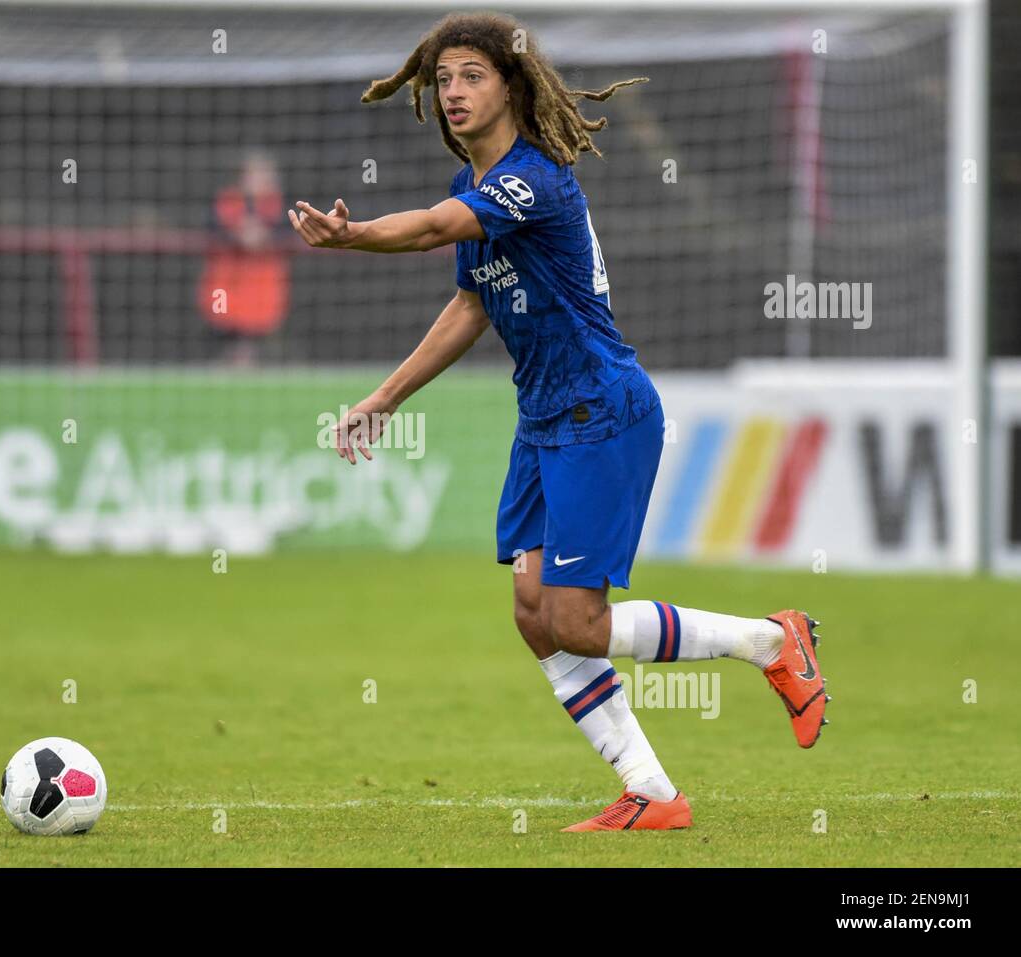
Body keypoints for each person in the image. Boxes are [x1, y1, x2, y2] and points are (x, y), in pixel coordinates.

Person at [288, 12, 828, 832]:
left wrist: (354, 233)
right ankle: (650, 792)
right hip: (544, 421)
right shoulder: (485, 197)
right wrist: (385, 397)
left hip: (602, 411)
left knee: (577, 619)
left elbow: (435, 227)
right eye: (443, 80)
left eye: (471, 75)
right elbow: (470, 307)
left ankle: (771, 642)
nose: (454, 92)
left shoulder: (532, 180)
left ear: (510, 84)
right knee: (535, 613)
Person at [198, 150, 290, 366]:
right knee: (229, 336)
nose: (261, 180)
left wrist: (263, 235)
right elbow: (213, 225)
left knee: (252, 341)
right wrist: (238, 233)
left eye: (265, 175)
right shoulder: (228, 201)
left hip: (263, 288)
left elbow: (287, 231)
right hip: (227, 285)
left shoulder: (279, 206)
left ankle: (245, 366)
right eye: (255, 174)